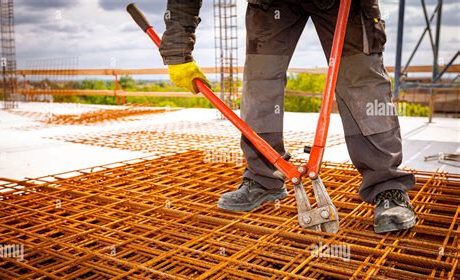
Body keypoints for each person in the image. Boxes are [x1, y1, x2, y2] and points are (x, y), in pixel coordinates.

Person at [159, 0, 416, 233]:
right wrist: (177, 49)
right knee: (260, 81)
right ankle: (264, 178)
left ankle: (387, 186)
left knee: (362, 79)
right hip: (271, 3)